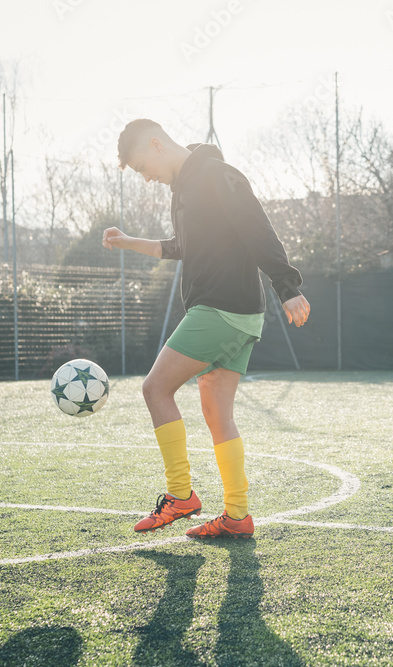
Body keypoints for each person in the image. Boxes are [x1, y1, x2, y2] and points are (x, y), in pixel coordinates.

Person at [102, 119, 310, 539]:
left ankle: (180, 495)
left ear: (157, 144)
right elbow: (179, 247)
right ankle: (237, 516)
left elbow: (257, 227)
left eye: (142, 166)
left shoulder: (216, 174)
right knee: (217, 414)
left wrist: (287, 287)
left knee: (155, 389)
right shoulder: (182, 193)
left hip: (220, 307)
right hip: (239, 314)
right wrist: (128, 241)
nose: (146, 177)